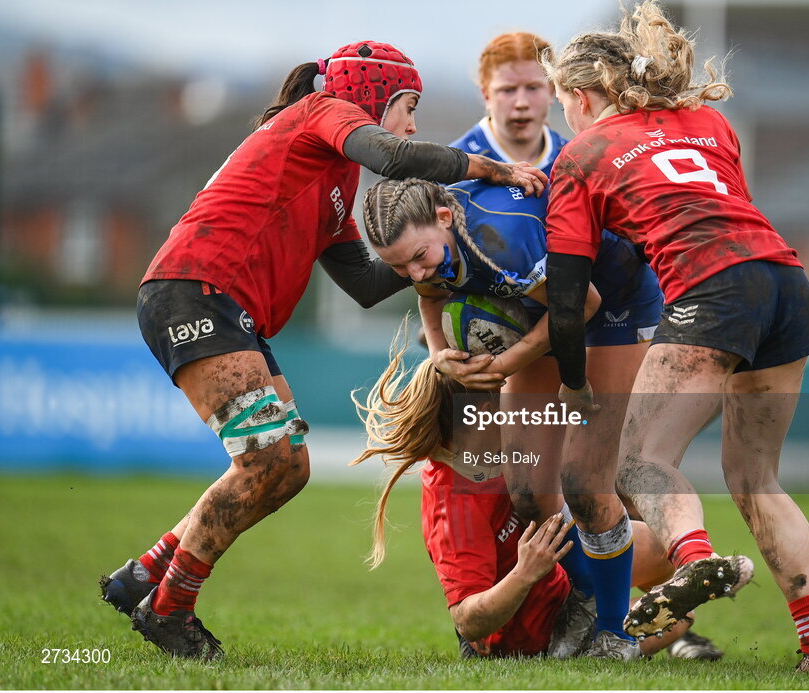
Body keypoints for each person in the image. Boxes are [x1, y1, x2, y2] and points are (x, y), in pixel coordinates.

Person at [97, 40, 547, 660]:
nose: (411, 123)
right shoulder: (320, 112)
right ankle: (170, 608)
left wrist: (450, 246)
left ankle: (146, 575)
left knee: (289, 469)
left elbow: (366, 283)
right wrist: (487, 171)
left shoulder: (332, 179)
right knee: (266, 460)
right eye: (406, 106)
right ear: (370, 98)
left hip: (230, 310)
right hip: (196, 292)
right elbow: (392, 154)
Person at [540, 0, 809, 674]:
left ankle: (695, 559)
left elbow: (565, 305)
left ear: (578, 96)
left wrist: (575, 385)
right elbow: (720, 210)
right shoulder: (709, 121)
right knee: (755, 475)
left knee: (638, 458)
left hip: (711, 290)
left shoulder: (582, 154)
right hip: (786, 282)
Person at [360, 176, 664, 658]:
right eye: (400, 267)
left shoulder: (500, 243)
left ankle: (615, 624)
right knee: (529, 487)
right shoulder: (435, 247)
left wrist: (508, 366)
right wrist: (438, 352)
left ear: (444, 220)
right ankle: (621, 601)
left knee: (586, 479)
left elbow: (580, 306)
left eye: (418, 258)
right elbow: (432, 293)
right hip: (549, 307)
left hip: (613, 300)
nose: (415, 273)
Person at [349, 326, 723, 661]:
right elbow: (467, 621)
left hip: (567, 586)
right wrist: (524, 573)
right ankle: (613, 640)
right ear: (482, 412)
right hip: (541, 637)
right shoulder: (454, 502)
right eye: (505, 394)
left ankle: (641, 624)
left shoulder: (503, 454)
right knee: (676, 615)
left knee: (647, 538)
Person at [450, 32, 567, 175]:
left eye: (533, 88)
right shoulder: (453, 171)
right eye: (508, 90)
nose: (521, 103)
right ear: (486, 95)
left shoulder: (578, 163)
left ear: (551, 91)